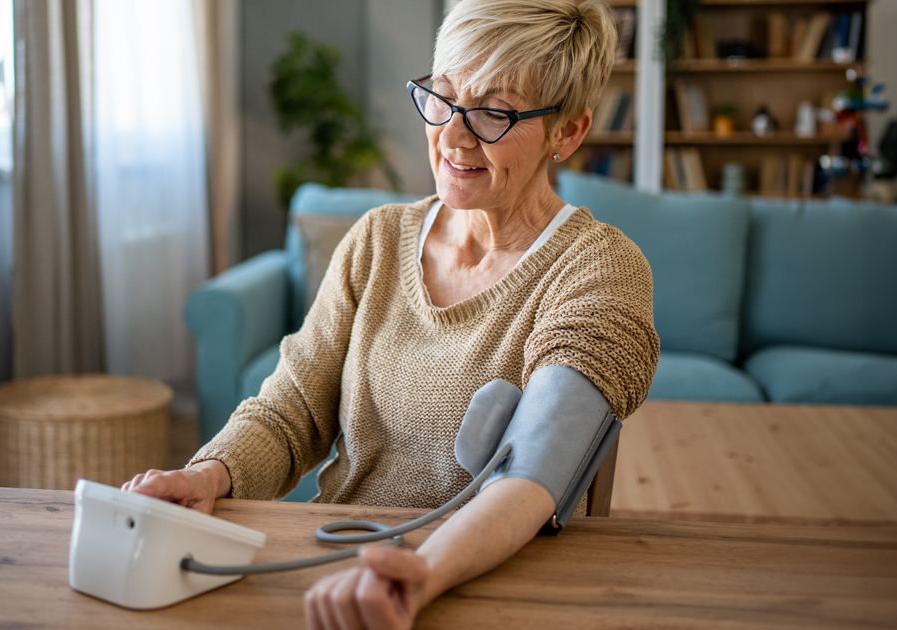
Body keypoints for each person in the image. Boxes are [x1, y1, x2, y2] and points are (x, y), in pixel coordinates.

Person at [123, 0, 659, 627]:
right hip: (336, 560)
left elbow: (537, 470)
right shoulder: (377, 239)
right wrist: (210, 474)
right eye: (444, 97)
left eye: (493, 113)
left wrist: (423, 575)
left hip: (483, 585)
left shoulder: (600, 269)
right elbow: (292, 409)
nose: (453, 136)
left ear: (567, 132)